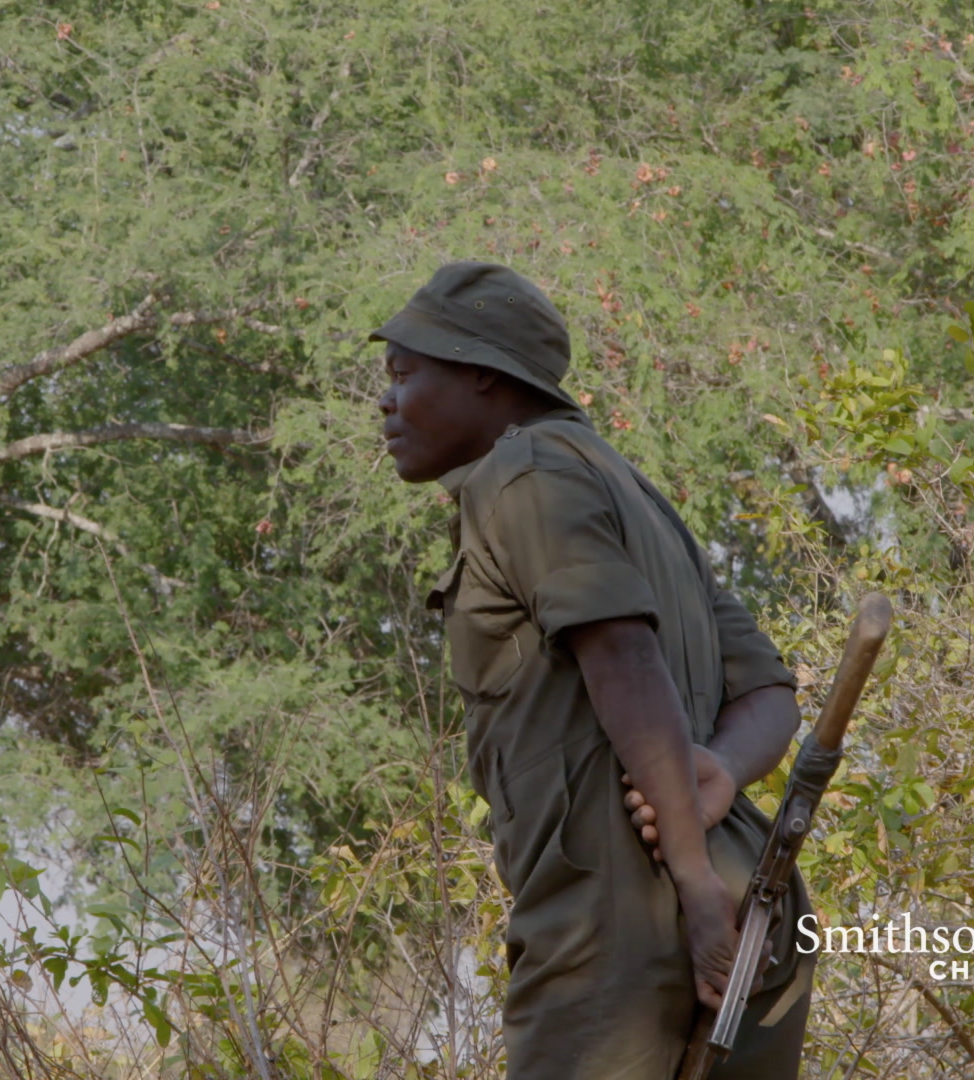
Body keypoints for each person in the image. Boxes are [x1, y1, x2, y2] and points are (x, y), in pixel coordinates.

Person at [374, 261, 816, 1079]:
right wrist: (718, 768)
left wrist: (688, 882)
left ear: (481, 373)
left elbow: (622, 654)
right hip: (753, 896)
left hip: (631, 926)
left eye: (404, 373)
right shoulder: (639, 497)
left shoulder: (524, 476)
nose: (385, 401)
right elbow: (770, 692)